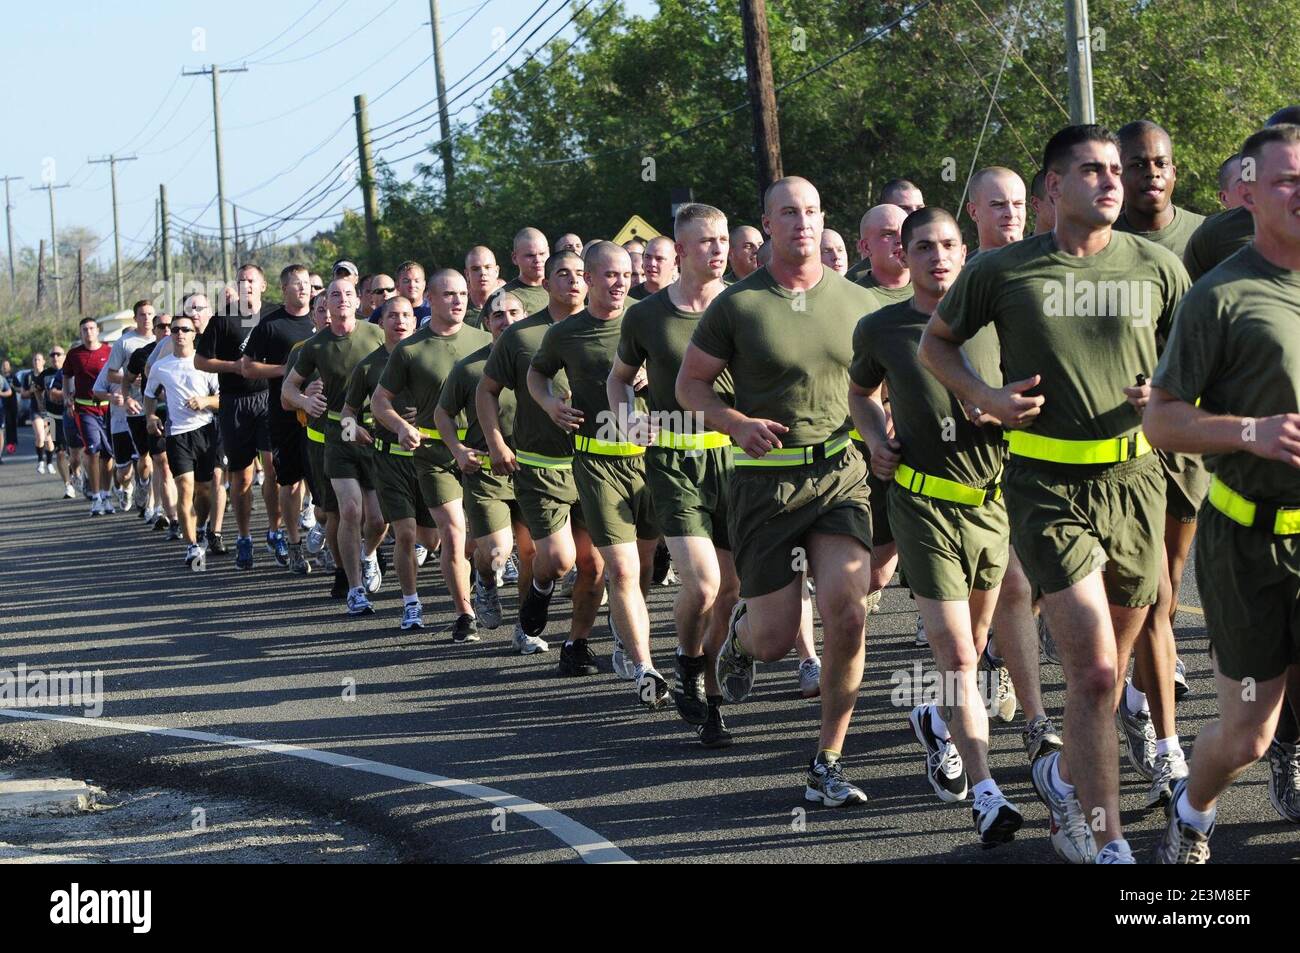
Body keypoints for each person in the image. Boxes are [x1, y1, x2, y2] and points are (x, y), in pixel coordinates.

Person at [920, 124, 1189, 864]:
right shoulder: (1004, 271)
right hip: (1045, 483)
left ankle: (1061, 775)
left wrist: (1164, 391)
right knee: (1096, 671)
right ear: (1052, 189)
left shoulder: (1158, 266)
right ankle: (1108, 842)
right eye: (1092, 171)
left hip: (1136, 481)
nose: (1111, 181)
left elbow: (1194, 359)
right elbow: (935, 343)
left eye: (1116, 170)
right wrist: (984, 396)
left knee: (1111, 673)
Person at [851, 207, 1048, 844]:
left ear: (966, 253)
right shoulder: (881, 328)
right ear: (903, 257)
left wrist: (999, 411)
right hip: (922, 502)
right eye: (924, 248)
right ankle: (988, 794)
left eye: (948, 246)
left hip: (992, 502)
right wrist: (877, 438)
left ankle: (936, 718)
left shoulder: (997, 320)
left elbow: (1034, 395)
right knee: (960, 653)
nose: (938, 258)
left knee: (979, 640)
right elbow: (861, 394)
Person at [679, 175, 877, 806]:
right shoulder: (739, 305)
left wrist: (885, 426)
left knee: (848, 608)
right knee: (772, 638)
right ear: (767, 225)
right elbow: (690, 388)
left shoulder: (859, 303)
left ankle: (828, 757)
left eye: (813, 211)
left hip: (840, 474)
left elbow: (878, 387)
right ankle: (738, 638)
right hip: (764, 484)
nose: (803, 223)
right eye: (789, 213)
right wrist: (735, 423)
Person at [1145, 122, 1300, 861]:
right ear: (1250, 195)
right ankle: (1194, 808)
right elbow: (1162, 418)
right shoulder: (1222, 294)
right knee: (1248, 731)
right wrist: (1248, 433)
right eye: (1286, 181)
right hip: (1248, 544)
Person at [611, 203, 748, 743]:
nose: (718, 249)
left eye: (723, 240)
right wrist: (625, 417)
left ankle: (707, 691)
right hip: (673, 458)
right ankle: (688, 663)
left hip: (737, 459)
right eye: (707, 242)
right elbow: (620, 379)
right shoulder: (645, 316)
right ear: (682, 251)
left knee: (732, 590)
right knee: (704, 582)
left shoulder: (745, 303)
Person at [531, 241, 667, 705]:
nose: (619, 282)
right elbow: (537, 374)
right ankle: (644, 665)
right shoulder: (567, 333)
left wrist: (653, 372)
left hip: (649, 458)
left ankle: (625, 632)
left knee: (645, 565)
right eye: (609, 275)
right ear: (588, 279)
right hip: (596, 461)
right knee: (622, 567)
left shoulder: (648, 319)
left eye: (626, 274)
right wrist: (551, 404)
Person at [479, 251, 607, 661]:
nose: (571, 281)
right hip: (540, 466)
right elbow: (486, 391)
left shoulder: (607, 327)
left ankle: (577, 643)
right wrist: (497, 442)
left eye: (577, 274)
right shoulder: (521, 335)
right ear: (545, 283)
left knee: (595, 565)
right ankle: (538, 590)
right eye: (561, 274)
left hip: (595, 462)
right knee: (557, 559)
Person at [374, 269, 493, 640]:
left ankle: (484, 578)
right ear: (430, 298)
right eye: (448, 294)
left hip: (481, 452)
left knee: (484, 542)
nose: (457, 301)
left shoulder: (486, 340)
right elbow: (380, 401)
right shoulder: (411, 349)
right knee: (453, 534)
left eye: (462, 293)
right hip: (434, 453)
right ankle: (465, 613)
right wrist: (401, 426)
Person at [283, 279, 386, 614]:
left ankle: (368, 555)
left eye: (347, 294)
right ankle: (354, 588)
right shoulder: (314, 345)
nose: (341, 300)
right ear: (325, 303)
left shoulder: (376, 334)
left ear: (358, 300)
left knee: (379, 518)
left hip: (375, 429)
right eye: (334, 295)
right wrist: (303, 400)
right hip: (339, 429)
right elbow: (288, 390)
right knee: (349, 510)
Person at [436, 291, 536, 635]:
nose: (506, 320)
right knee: (496, 552)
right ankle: (484, 581)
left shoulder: (542, 361)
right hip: (486, 471)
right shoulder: (469, 368)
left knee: (533, 554)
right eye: (498, 315)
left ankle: (525, 628)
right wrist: (458, 450)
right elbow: (442, 414)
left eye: (513, 313)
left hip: (535, 468)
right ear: (487, 322)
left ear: (526, 316)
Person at [344, 295, 425, 628]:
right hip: (389, 457)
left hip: (431, 457)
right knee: (404, 533)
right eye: (393, 315)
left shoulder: (428, 355)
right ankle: (411, 603)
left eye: (407, 315)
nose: (400, 321)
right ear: (381, 323)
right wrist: (355, 430)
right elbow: (348, 413)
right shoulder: (368, 365)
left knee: (436, 540)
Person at [196, 263, 278, 569]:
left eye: (251, 280)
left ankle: (275, 531)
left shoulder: (274, 314)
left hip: (269, 399)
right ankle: (244, 537)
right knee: (242, 476)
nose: (246, 285)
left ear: (263, 285)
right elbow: (201, 361)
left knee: (273, 468)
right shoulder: (222, 318)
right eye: (241, 280)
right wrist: (234, 367)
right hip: (234, 401)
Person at [242, 264, 319, 573]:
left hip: (320, 413)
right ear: (284, 288)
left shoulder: (321, 319)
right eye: (296, 284)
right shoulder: (269, 325)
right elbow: (248, 368)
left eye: (307, 284)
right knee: (289, 481)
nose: (303, 288)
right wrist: (287, 370)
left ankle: (323, 534)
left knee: (323, 480)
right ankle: (294, 542)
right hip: (284, 413)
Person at [144, 310, 220, 567]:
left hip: (205, 432)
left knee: (204, 490)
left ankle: (200, 528)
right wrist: (151, 416)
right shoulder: (161, 366)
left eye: (184, 330)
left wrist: (205, 401)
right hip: (177, 435)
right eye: (174, 330)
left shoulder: (206, 363)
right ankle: (192, 546)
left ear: (194, 334)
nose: (178, 334)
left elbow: (222, 400)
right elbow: (149, 394)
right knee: (185, 489)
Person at [125, 311, 178, 532]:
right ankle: (169, 515)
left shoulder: (187, 350)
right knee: (162, 463)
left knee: (179, 467)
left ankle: (169, 507)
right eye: (162, 326)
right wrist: (127, 398)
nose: (167, 330)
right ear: (154, 330)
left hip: (183, 414)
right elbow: (126, 380)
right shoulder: (142, 354)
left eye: (171, 326)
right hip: (155, 413)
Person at [63, 317, 115, 514]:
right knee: (92, 450)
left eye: (92, 328)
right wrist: (68, 396)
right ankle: (95, 498)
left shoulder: (108, 351)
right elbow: (67, 375)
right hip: (84, 408)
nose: (88, 332)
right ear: (81, 333)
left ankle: (106, 494)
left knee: (108, 453)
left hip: (108, 407)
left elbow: (116, 374)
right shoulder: (74, 354)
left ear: (98, 330)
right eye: (84, 329)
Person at [495, 229, 551, 317]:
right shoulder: (502, 297)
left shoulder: (562, 288)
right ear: (514, 258)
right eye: (530, 255)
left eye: (542, 254)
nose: (538, 260)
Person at [463, 247, 504, 329]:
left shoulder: (511, 307)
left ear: (496, 271)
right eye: (475, 269)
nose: (482, 273)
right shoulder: (459, 311)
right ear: (467, 274)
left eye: (487, 267)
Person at [628, 236, 676, 300]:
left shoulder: (684, 298)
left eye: (659, 259)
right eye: (648, 257)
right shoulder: (628, 298)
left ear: (675, 263)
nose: (652, 263)